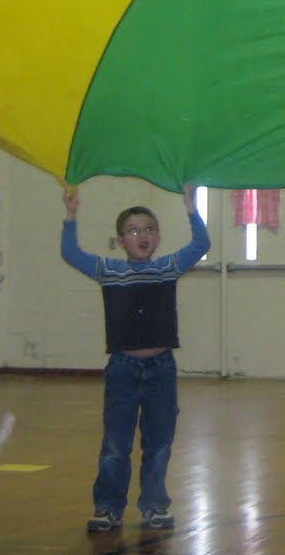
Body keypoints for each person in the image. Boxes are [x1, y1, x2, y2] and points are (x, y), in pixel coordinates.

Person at [62, 184, 209, 533]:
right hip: (122, 371)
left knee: (158, 443)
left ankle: (154, 505)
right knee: (116, 444)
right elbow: (70, 253)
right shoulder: (109, 271)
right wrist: (71, 214)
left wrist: (191, 207)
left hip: (161, 370)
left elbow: (201, 245)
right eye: (132, 230)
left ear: (158, 237)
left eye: (148, 229)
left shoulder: (168, 267)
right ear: (120, 240)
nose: (141, 235)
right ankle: (108, 508)